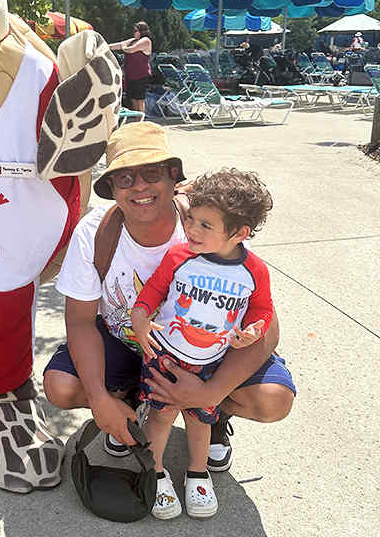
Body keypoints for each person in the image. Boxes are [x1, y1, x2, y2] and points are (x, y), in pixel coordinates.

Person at [43, 122, 295, 477]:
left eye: (151, 173)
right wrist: (101, 398)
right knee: (62, 387)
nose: (140, 186)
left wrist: (211, 391)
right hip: (128, 345)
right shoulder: (95, 232)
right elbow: (81, 321)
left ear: (173, 177)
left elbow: (267, 326)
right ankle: (129, 404)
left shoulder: (209, 220)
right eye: (125, 178)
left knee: (273, 400)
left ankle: (212, 415)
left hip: (206, 353)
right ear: (112, 188)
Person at [131, 169, 274, 520]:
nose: (192, 230)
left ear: (240, 233)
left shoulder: (254, 270)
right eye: (191, 220)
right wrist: (139, 316)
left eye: (205, 226)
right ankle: (156, 471)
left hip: (212, 360)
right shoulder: (180, 258)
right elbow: (151, 292)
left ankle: (198, 472)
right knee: (162, 415)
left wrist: (255, 330)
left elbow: (262, 309)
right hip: (166, 354)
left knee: (200, 419)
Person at [109, 21, 152, 115]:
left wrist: (124, 47)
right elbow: (119, 45)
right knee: (132, 99)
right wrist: (105, 47)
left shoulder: (146, 41)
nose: (134, 32)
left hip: (141, 75)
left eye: (136, 30)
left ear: (142, 31)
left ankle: (141, 121)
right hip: (130, 75)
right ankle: (137, 120)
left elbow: (130, 50)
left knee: (139, 100)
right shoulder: (132, 40)